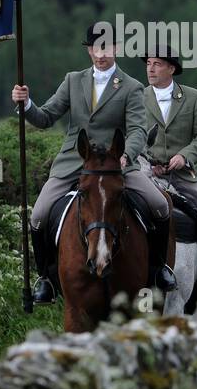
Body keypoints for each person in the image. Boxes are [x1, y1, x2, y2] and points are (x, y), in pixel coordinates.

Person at [11, 24, 173, 305]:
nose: (101, 54)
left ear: (117, 49)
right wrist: (26, 105)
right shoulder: (73, 80)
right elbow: (46, 117)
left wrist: (126, 155)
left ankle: (158, 270)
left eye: (107, 48)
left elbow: (137, 130)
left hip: (116, 164)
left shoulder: (132, 87)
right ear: (89, 50)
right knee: (37, 216)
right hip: (75, 164)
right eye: (96, 48)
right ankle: (46, 280)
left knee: (159, 205)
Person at [140, 46, 197, 289]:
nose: (150, 68)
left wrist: (184, 156)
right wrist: (147, 162)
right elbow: (130, 136)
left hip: (183, 175)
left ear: (171, 68)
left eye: (157, 63)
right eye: (148, 63)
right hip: (145, 174)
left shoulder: (193, 97)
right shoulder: (137, 97)